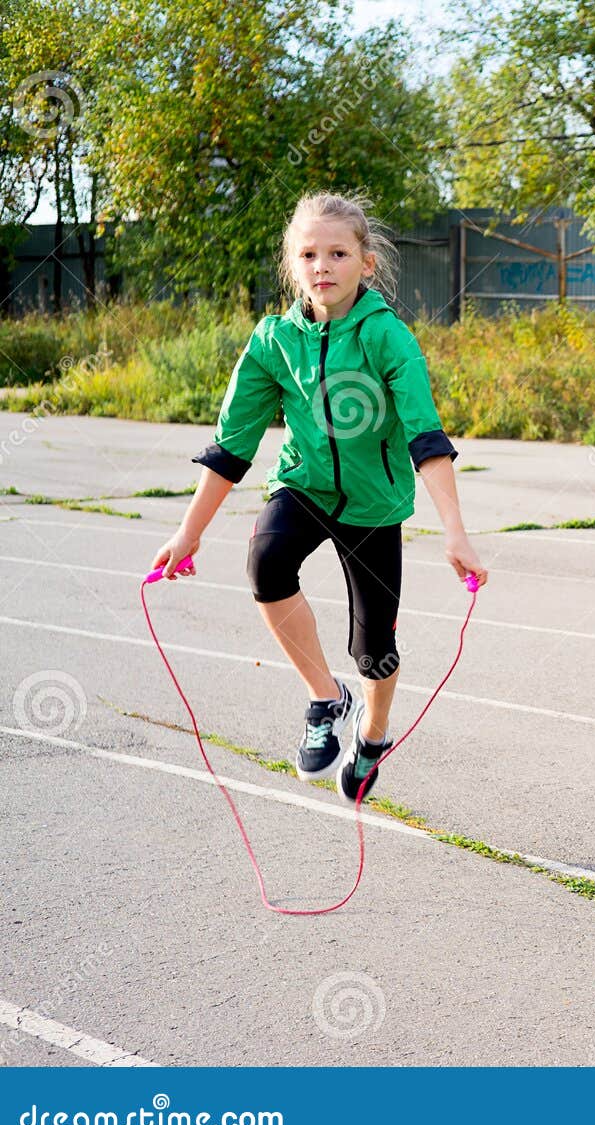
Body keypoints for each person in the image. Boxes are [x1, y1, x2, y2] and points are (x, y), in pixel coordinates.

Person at [150, 192, 488, 804]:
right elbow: (231, 447)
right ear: (292, 265)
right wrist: (188, 532)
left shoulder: (388, 339)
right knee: (266, 561)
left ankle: (373, 736)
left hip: (373, 505)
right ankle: (325, 697)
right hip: (302, 486)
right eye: (308, 254)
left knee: (375, 652)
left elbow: (426, 438)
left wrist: (455, 531)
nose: (322, 266)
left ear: (366, 263)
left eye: (337, 253)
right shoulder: (273, 340)